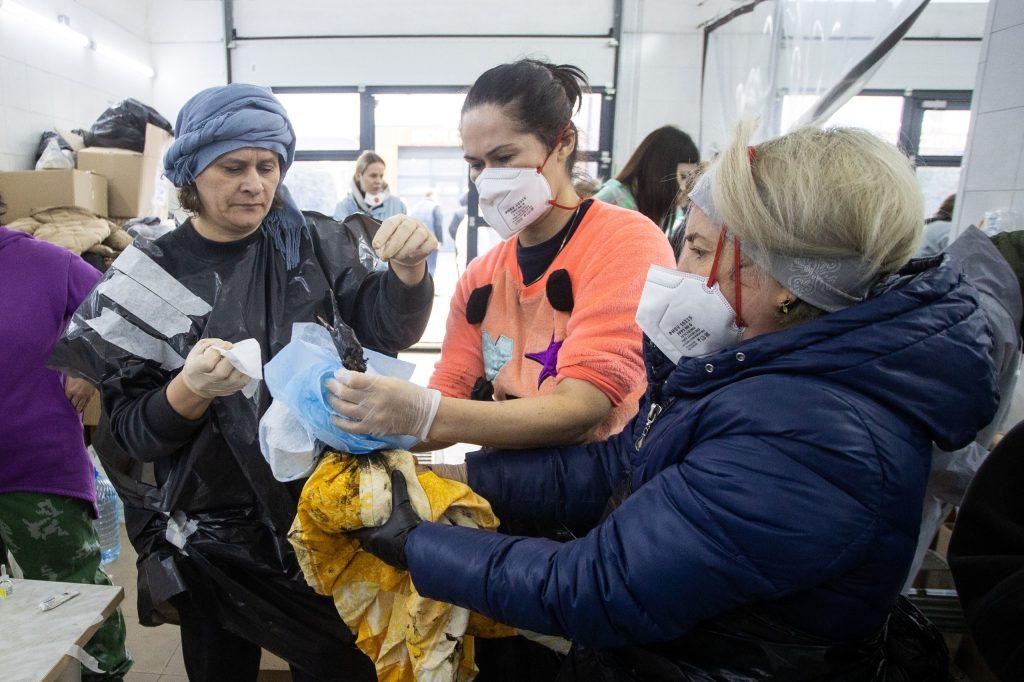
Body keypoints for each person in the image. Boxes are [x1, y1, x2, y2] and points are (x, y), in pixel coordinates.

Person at [350, 122, 1000, 679]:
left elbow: (599, 585)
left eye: (694, 247)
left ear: (781, 282)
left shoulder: (812, 436)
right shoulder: (763, 373)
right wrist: (460, 484)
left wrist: (415, 542)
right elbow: (623, 466)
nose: (671, 271)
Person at [49, 84, 437, 682]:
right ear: (191, 174)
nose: (255, 183)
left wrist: (409, 274)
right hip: (214, 538)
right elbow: (130, 435)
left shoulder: (309, 244)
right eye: (233, 167)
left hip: (323, 512)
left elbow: (387, 324)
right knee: (220, 666)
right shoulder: (149, 278)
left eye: (267, 166)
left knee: (342, 663)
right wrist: (190, 391)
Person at [327, 60, 675, 453]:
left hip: (603, 497)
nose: (487, 180)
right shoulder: (482, 277)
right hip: (510, 493)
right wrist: (348, 420)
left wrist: (422, 411)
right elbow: (451, 398)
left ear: (564, 142)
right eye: (475, 164)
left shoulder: (624, 243)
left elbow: (582, 410)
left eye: (504, 158)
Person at [0, 225, 132, 680]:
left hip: (34, 466)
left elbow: (127, 306)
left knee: (73, 592)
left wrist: (88, 359)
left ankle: (105, 674)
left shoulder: (43, 263)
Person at [595, 125, 699, 231]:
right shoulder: (613, 199)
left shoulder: (671, 212)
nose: (688, 187)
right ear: (659, 170)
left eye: (692, 179)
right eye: (684, 176)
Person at [333, 150, 407, 222]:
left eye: (381, 176)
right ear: (359, 176)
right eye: (373, 176)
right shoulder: (344, 208)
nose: (379, 181)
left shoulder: (398, 206)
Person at [411, 189, 445, 277]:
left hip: (415, 242)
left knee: (418, 266)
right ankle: (428, 287)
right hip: (431, 241)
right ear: (432, 196)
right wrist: (440, 241)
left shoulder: (415, 207)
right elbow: (438, 225)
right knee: (431, 266)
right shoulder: (435, 207)